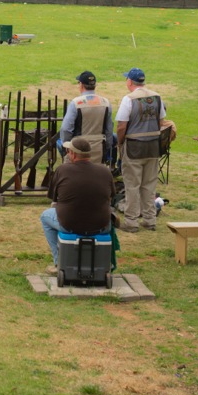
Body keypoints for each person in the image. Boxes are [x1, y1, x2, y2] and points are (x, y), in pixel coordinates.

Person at [39, 136, 115, 272]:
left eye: (68, 151)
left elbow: (53, 198)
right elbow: (111, 197)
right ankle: (103, 262)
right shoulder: (105, 171)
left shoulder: (62, 170)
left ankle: (59, 262)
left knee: (45, 216)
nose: (67, 153)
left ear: (73, 154)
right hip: (102, 225)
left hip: (69, 224)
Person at [115, 67, 166, 232]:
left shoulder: (128, 99)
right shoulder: (157, 97)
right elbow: (161, 121)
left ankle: (131, 221)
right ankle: (150, 219)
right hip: (152, 146)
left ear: (129, 81)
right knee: (149, 184)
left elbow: (121, 125)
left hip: (134, 146)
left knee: (132, 184)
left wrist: (120, 143)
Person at [58, 70, 115, 165]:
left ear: (81, 85)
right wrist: (107, 147)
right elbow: (109, 129)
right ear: (95, 85)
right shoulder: (106, 103)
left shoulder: (76, 103)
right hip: (99, 147)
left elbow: (66, 129)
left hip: (77, 149)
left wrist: (67, 146)